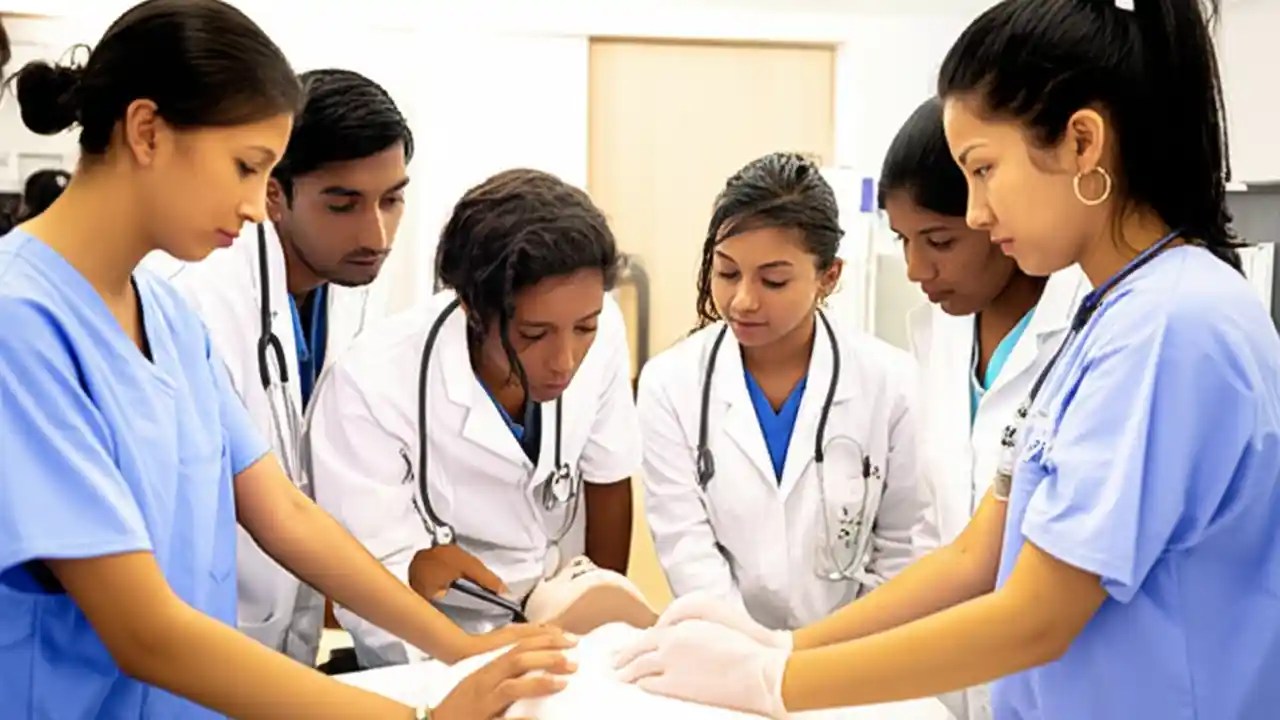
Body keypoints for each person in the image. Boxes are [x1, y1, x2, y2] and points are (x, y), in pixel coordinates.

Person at [612, 1, 1280, 719]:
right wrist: (785, 649)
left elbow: (1037, 615)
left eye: (984, 170)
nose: (980, 214)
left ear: (1083, 143)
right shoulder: (1114, 312)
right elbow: (977, 555)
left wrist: (776, 686)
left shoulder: (1170, 327)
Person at [0, 2, 570, 718]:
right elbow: (143, 633)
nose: (254, 205)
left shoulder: (168, 318)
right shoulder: (20, 323)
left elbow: (284, 513)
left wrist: (462, 649)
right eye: (246, 168)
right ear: (147, 132)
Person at [146, 66, 488, 667]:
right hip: (193, 641)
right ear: (275, 193)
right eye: (343, 204)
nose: (376, 233)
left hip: (293, 639)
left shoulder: (357, 289)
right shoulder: (191, 297)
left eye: (392, 199)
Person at [308, 167, 641, 668]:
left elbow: (608, 478)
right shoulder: (372, 383)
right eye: (533, 334)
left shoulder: (605, 329)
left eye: (583, 328)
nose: (565, 359)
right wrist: (463, 663)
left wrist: (605, 625)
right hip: (430, 651)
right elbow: (369, 577)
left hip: (558, 628)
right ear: (472, 308)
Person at [636, 151, 926, 632]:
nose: (743, 300)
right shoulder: (670, 384)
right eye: (727, 273)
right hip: (726, 647)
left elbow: (901, 548)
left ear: (828, 276)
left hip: (857, 654)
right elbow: (686, 547)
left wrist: (827, 656)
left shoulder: (892, 383)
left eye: (773, 280)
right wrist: (756, 657)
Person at [880, 97, 1088, 720]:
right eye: (903, 241)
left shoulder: (1093, 330)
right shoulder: (940, 333)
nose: (916, 268)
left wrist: (788, 666)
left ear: (993, 216)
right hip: (953, 688)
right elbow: (939, 534)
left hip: (1059, 682)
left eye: (938, 240)